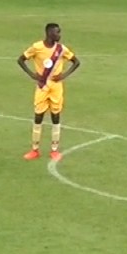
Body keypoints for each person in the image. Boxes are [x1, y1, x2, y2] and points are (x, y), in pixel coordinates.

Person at [17, 23, 80, 160]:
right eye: (57, 32)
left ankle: (54, 150)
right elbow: (21, 60)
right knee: (38, 116)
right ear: (49, 33)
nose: (59, 35)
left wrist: (64, 75)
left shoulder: (61, 49)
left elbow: (76, 62)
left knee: (55, 116)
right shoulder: (37, 47)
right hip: (42, 87)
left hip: (56, 88)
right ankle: (34, 150)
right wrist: (32, 74)